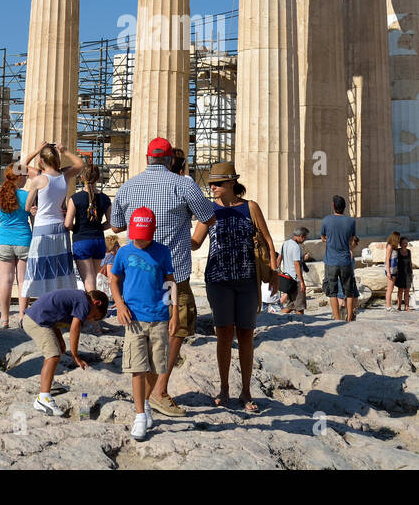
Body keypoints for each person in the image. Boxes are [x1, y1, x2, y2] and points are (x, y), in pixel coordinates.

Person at [110, 137, 217, 418]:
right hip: (173, 273)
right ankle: (158, 391)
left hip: (135, 274)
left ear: (147, 158)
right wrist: (192, 239)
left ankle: (147, 395)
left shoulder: (129, 185)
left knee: (141, 332)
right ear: (171, 160)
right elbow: (210, 216)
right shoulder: (182, 184)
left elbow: (117, 224)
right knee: (175, 329)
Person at [191, 163, 277, 411]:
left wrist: (272, 273)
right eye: (211, 184)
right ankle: (224, 389)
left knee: (247, 335)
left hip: (247, 278)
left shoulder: (250, 207)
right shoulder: (209, 210)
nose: (213, 188)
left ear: (231, 183)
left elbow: (268, 240)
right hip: (218, 280)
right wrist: (173, 235)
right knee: (224, 335)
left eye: (217, 183)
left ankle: (247, 391)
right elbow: (197, 241)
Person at [110, 207, 175, 440]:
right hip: (134, 319)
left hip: (159, 317)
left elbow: (170, 282)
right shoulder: (124, 253)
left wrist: (174, 313)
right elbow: (114, 278)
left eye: (145, 235)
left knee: (156, 368)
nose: (140, 239)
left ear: (154, 231)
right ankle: (139, 415)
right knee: (137, 368)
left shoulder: (163, 252)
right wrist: (119, 304)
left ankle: (146, 402)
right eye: (137, 234)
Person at [24, 288, 108, 416]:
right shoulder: (85, 303)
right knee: (53, 355)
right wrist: (75, 355)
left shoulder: (79, 297)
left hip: (38, 319)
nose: (90, 318)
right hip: (36, 321)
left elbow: (54, 314)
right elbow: (75, 328)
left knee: (55, 352)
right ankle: (43, 398)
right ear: (97, 303)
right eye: (94, 316)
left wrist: (60, 339)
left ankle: (49, 383)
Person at [22, 142, 83, 298]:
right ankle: (59, 300)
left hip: (43, 226)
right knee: (59, 266)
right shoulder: (64, 175)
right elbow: (80, 164)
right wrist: (65, 150)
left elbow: (19, 168)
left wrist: (36, 150)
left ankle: (44, 301)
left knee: (41, 266)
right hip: (60, 225)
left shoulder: (38, 179)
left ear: (42, 161)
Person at [0, 168, 32, 327]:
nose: (27, 178)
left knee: (5, 281)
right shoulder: (27, 196)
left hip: (4, 241)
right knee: (23, 281)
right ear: (19, 178)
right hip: (24, 241)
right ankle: (22, 317)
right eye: (25, 176)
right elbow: (33, 221)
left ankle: (4, 318)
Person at [64, 163, 111, 293]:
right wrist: (99, 227)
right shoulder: (105, 198)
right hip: (99, 240)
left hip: (82, 239)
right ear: (98, 178)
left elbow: (67, 224)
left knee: (87, 279)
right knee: (93, 278)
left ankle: (91, 308)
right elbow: (111, 222)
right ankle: (94, 305)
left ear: (81, 178)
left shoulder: (75, 198)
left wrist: (77, 228)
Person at [321, 196, 360, 321]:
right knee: (349, 291)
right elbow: (352, 239)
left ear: (333, 206)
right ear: (345, 207)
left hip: (331, 260)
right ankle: (349, 317)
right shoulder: (351, 221)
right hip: (345, 260)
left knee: (332, 291)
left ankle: (337, 318)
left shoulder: (326, 220)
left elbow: (323, 237)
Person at [277, 227, 308, 315]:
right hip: (295, 280)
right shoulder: (296, 247)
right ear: (301, 236)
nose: (305, 240)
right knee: (300, 307)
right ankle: (300, 326)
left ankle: (277, 318)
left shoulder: (285, 243)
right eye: (305, 238)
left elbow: (279, 259)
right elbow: (296, 264)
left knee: (290, 306)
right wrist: (302, 282)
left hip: (287, 279)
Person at [393, 237, 413, 310]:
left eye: (406, 243)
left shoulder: (409, 251)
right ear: (400, 244)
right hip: (400, 273)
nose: (405, 244)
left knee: (407, 291)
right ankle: (399, 306)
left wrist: (411, 273)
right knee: (400, 291)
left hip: (408, 273)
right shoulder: (397, 251)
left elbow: (410, 262)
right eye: (404, 243)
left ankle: (407, 306)